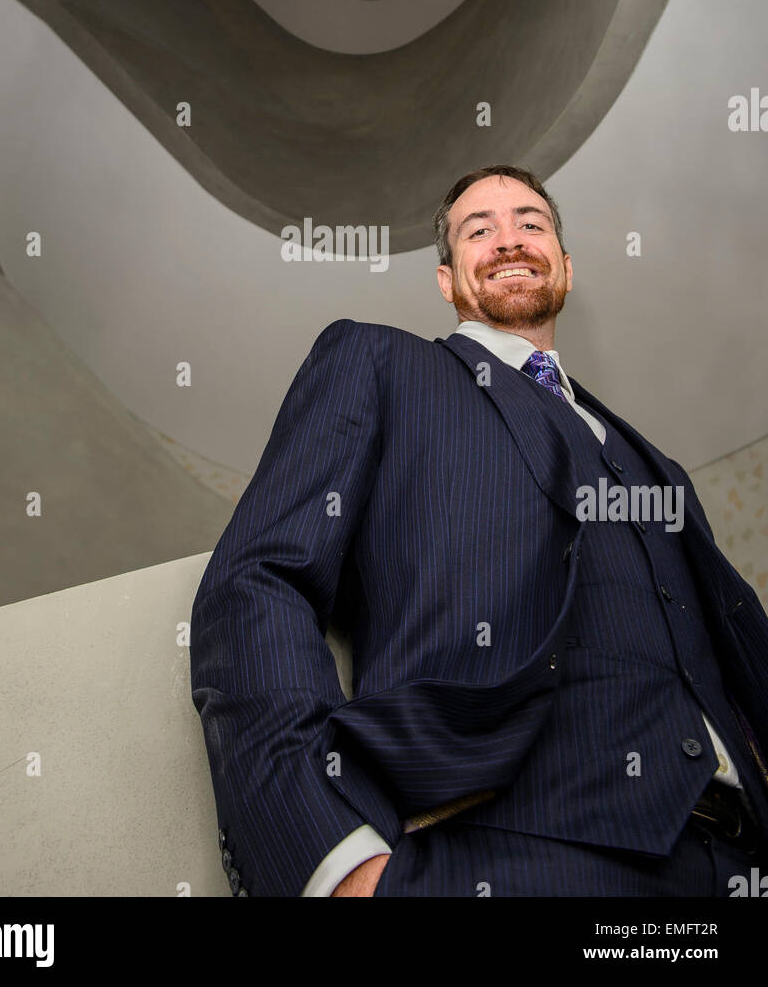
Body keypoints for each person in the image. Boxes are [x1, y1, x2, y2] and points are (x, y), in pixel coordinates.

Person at [189, 165, 768, 897]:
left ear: (564, 264)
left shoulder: (658, 467)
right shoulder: (378, 364)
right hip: (510, 855)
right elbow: (256, 583)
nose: (507, 241)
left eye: (531, 223)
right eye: (478, 228)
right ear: (444, 279)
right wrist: (330, 857)